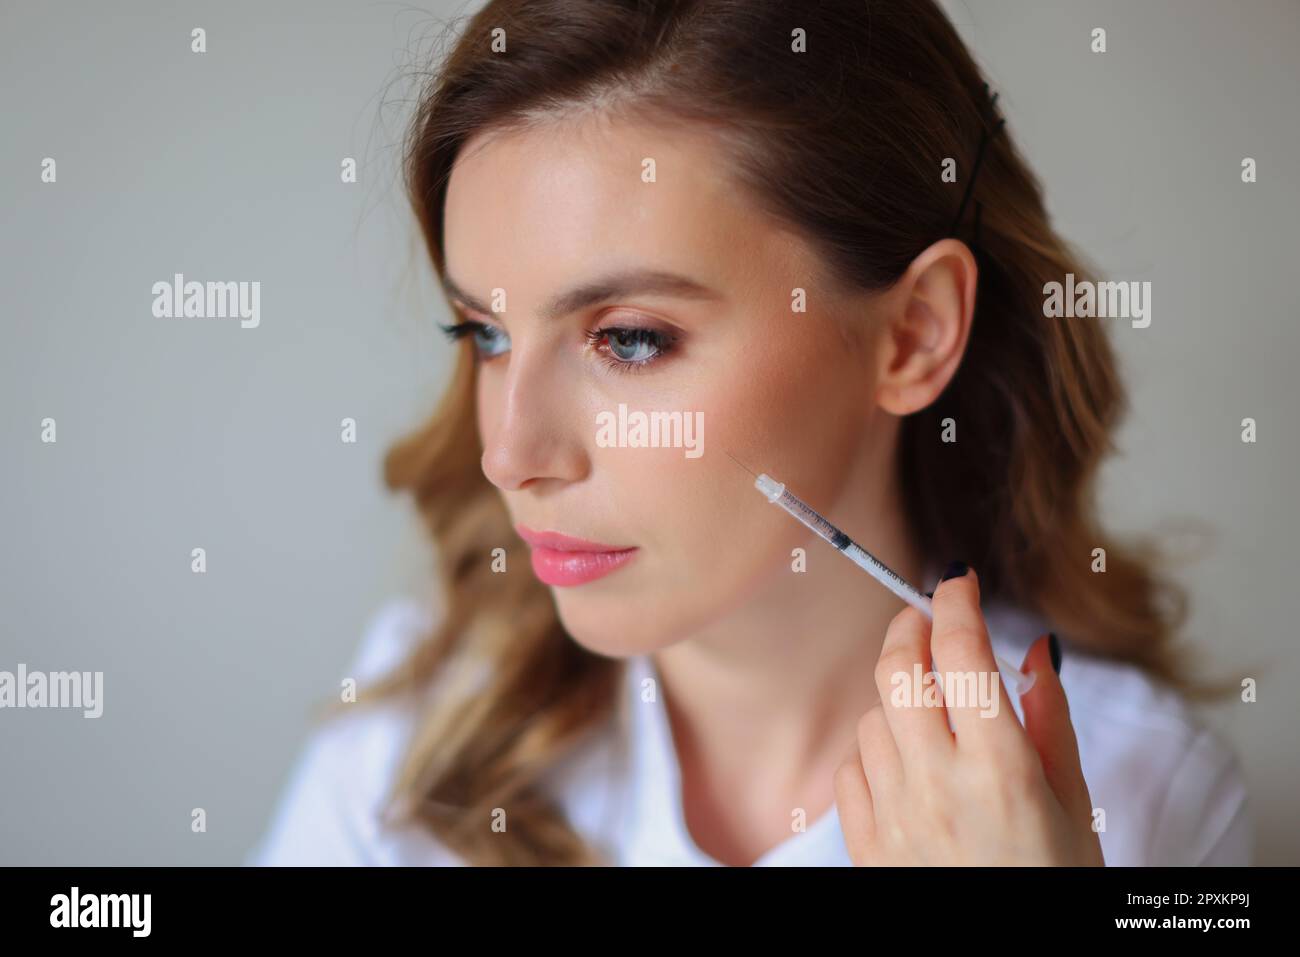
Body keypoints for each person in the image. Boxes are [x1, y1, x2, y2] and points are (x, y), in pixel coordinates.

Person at [249, 0, 1252, 867]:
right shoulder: (419, 728)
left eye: (631, 341)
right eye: (486, 333)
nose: (509, 455)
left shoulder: (1133, 793)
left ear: (912, 335)